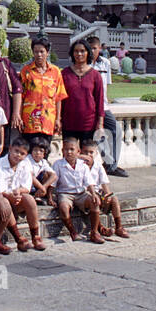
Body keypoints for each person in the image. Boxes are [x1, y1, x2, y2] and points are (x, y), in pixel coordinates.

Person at [0, 136, 46, 251]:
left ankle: (35, 236)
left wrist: (18, 191)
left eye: (22, 153)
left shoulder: (25, 165)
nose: (18, 155)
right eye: (16, 151)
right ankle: (19, 238)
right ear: (10, 149)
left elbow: (26, 186)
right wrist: (10, 195)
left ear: (26, 155)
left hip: (16, 197)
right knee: (6, 202)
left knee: (29, 199)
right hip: (0, 198)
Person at [87, 35, 127, 177]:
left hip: (104, 107)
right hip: (90, 108)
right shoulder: (83, 65)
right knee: (99, 136)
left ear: (100, 48)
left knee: (116, 131)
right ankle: (108, 162)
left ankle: (112, 165)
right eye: (89, 48)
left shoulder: (105, 63)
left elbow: (106, 86)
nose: (92, 51)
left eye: (94, 48)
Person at [50, 135, 101, 243]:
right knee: (63, 208)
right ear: (62, 151)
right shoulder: (58, 164)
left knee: (95, 202)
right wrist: (50, 197)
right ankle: (73, 232)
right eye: (66, 149)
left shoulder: (83, 165)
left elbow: (89, 182)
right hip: (65, 193)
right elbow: (52, 183)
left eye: (72, 149)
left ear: (78, 152)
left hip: (81, 193)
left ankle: (94, 232)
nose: (69, 152)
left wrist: (93, 194)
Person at [19, 38, 67, 152]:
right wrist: (19, 117)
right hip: (30, 119)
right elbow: (21, 96)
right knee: (29, 152)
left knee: (44, 151)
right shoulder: (26, 71)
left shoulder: (55, 72)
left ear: (47, 52)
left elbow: (59, 97)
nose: (39, 55)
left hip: (48, 119)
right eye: (36, 52)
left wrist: (58, 119)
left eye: (42, 51)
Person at [79, 142, 129, 239]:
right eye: (85, 152)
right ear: (80, 152)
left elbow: (104, 183)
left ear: (96, 153)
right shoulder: (79, 166)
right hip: (85, 193)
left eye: (91, 152)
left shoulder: (98, 166)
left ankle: (119, 227)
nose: (88, 155)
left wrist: (108, 195)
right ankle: (100, 228)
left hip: (98, 192)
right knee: (94, 200)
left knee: (114, 199)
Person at [60, 39, 104, 148]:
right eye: (76, 51)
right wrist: (58, 120)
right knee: (69, 156)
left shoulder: (95, 75)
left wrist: (100, 124)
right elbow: (59, 99)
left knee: (87, 157)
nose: (79, 54)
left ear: (88, 53)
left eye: (82, 51)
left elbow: (100, 101)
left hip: (89, 124)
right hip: (69, 123)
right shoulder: (64, 74)